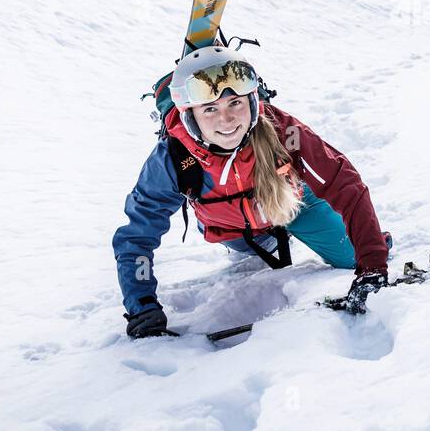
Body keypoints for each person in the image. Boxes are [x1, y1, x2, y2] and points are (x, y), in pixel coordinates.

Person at [113, 47, 391, 337]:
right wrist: (142, 305)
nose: (227, 119)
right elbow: (136, 237)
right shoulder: (171, 158)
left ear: (252, 101)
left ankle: (367, 240)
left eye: (235, 103)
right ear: (191, 115)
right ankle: (270, 241)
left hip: (293, 205)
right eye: (210, 109)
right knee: (258, 248)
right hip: (230, 228)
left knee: (351, 257)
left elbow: (345, 184)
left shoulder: (284, 131)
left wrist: (372, 261)